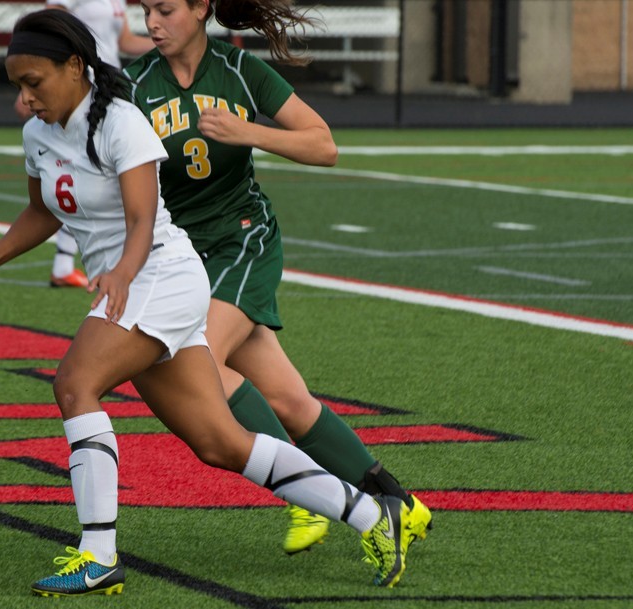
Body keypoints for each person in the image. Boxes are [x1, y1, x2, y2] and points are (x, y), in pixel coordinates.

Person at [0, 9, 416, 595]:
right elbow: (43, 211)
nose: (25, 98)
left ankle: (98, 555)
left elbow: (145, 217)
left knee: (75, 384)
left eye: (34, 83)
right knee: (220, 442)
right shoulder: (39, 134)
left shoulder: (120, 120)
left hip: (160, 276)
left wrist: (120, 272)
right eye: (17, 85)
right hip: (139, 283)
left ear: (75, 66)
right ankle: (372, 516)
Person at [125, 0, 432, 554]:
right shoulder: (135, 83)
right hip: (181, 259)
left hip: (242, 240)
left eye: (165, 9)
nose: (151, 22)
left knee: (202, 367)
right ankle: (401, 504)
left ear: (200, 9)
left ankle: (303, 493)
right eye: (145, 9)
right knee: (290, 401)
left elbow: (324, 145)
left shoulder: (241, 72)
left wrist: (251, 133)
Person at [17, 0, 156, 288]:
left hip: (110, 92)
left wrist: (168, 44)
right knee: (78, 184)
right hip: (79, 90)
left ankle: (70, 264)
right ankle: (65, 264)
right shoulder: (39, 125)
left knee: (122, 195)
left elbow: (125, 42)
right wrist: (35, 83)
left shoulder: (124, 121)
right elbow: (52, 29)